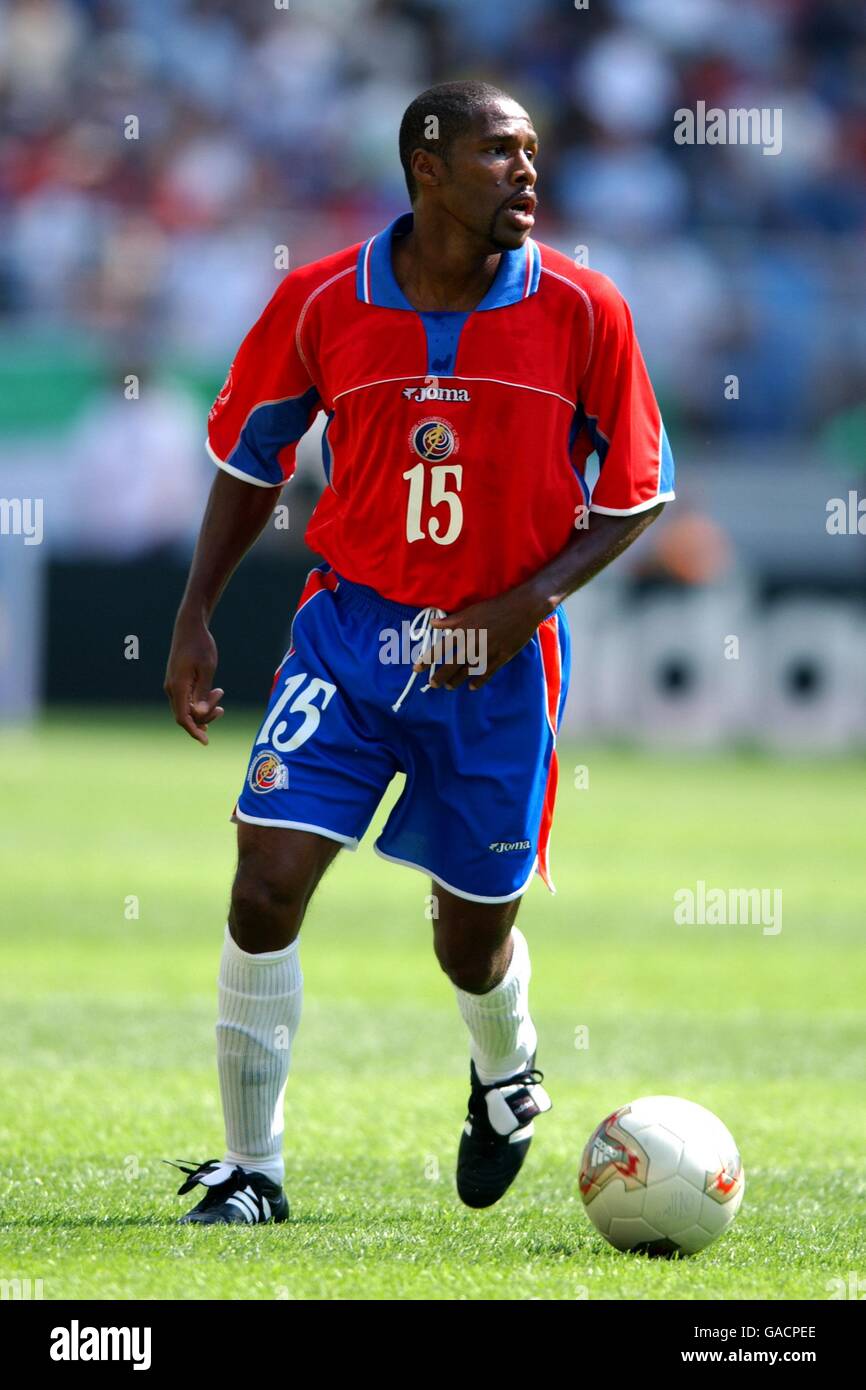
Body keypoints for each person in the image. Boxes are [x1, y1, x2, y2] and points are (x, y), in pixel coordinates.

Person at [163, 80, 674, 1224]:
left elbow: (637, 495)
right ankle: (252, 1170)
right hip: (348, 640)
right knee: (264, 882)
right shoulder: (318, 300)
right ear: (427, 168)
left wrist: (519, 606)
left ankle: (506, 1073)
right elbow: (253, 461)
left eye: (533, 151)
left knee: (469, 941)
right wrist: (195, 614)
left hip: (494, 671)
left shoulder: (586, 310)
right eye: (500, 151)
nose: (527, 171)